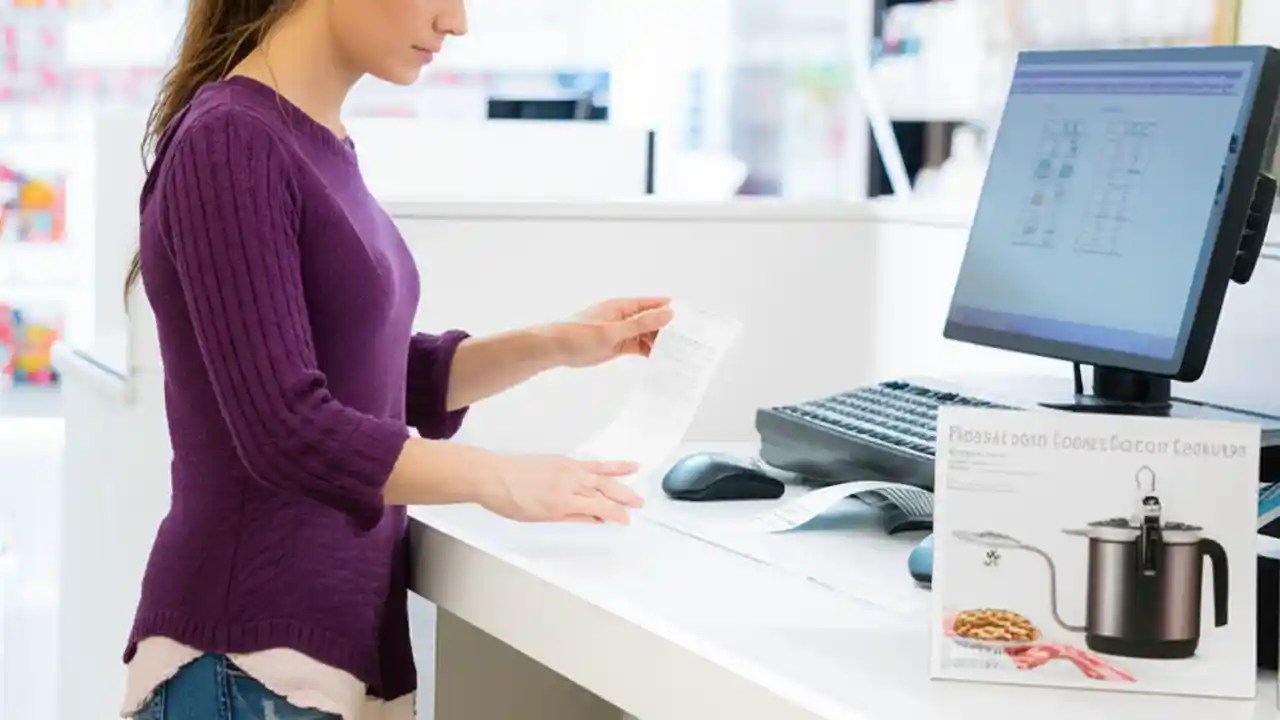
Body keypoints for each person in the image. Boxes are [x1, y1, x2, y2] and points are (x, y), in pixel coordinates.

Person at [119, 0, 673, 718]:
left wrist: (559, 343)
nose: (457, 22)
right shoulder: (232, 140)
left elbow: (372, 380)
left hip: (310, 659)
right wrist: (500, 480)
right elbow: (286, 428)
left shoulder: (307, 140)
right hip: (248, 662)